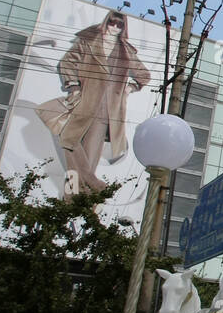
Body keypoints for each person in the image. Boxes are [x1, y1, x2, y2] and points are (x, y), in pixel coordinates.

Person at [36, 10, 150, 196]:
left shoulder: (126, 51)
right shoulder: (88, 40)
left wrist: (130, 88)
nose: (114, 27)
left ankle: (72, 199)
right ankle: (91, 182)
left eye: (119, 25)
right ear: (106, 22)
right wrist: (74, 86)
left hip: (107, 111)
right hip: (84, 102)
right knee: (68, 139)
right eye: (112, 23)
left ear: (123, 28)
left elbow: (144, 75)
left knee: (90, 156)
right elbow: (67, 62)